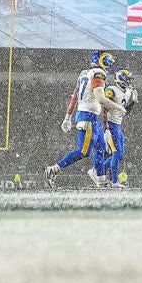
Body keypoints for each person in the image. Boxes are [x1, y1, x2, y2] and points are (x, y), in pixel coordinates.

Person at [46, 51, 126, 188]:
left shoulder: (84, 73)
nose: (109, 64)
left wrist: (68, 117)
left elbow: (75, 97)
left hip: (89, 115)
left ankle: (100, 180)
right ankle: (54, 169)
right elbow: (101, 99)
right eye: (107, 61)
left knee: (101, 148)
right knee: (84, 151)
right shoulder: (98, 75)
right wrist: (118, 107)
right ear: (101, 61)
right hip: (89, 117)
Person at [101, 68, 138, 188]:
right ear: (122, 79)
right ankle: (114, 181)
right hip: (111, 124)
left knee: (120, 155)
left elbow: (124, 112)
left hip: (117, 125)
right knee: (116, 154)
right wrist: (105, 128)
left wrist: (132, 102)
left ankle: (98, 171)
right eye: (128, 79)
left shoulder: (128, 91)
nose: (130, 82)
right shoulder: (112, 90)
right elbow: (104, 109)